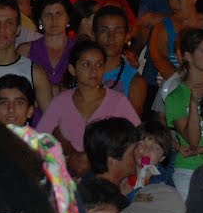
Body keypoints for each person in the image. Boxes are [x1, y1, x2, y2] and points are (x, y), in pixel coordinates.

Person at [37, 38, 141, 177]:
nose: (94, 70)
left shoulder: (118, 101)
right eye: (86, 64)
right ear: (72, 69)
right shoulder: (61, 101)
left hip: (107, 176)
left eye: (99, 65)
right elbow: (40, 139)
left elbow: (138, 139)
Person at [166, 28, 203, 197]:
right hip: (189, 170)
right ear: (188, 56)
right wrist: (193, 103)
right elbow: (192, 141)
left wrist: (201, 150)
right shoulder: (176, 97)